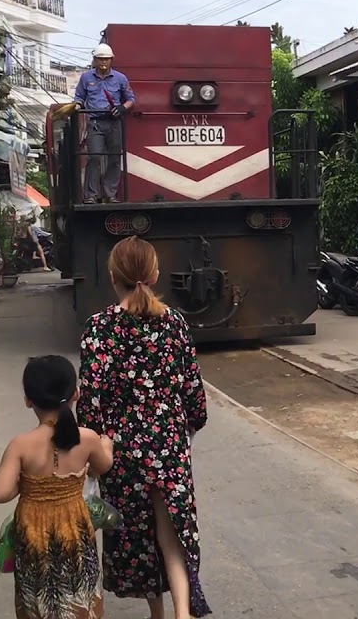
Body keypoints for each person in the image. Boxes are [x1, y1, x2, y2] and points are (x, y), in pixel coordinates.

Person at [76, 237, 210, 619]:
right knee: (172, 539)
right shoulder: (176, 324)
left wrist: (93, 445)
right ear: (154, 274)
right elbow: (193, 391)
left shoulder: (99, 328)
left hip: (123, 454)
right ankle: (182, 613)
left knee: (140, 539)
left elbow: (91, 400)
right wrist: (188, 426)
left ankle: (160, 613)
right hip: (169, 450)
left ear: (112, 276)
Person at [0, 355, 114, 619]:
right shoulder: (87, 438)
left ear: (28, 400)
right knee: (78, 587)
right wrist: (107, 445)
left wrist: (28, 484)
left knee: (39, 593)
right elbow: (102, 467)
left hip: (33, 531)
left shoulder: (20, 445)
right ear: (76, 394)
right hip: (75, 526)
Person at [75, 43, 136, 204]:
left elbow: (131, 100)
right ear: (95, 60)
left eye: (106, 60)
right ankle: (91, 195)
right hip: (95, 122)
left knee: (115, 158)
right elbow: (79, 97)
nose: (103, 63)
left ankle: (110, 194)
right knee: (94, 157)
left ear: (111, 60)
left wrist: (122, 108)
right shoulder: (86, 77)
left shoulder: (120, 78)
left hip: (114, 122)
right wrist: (77, 106)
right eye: (100, 59)